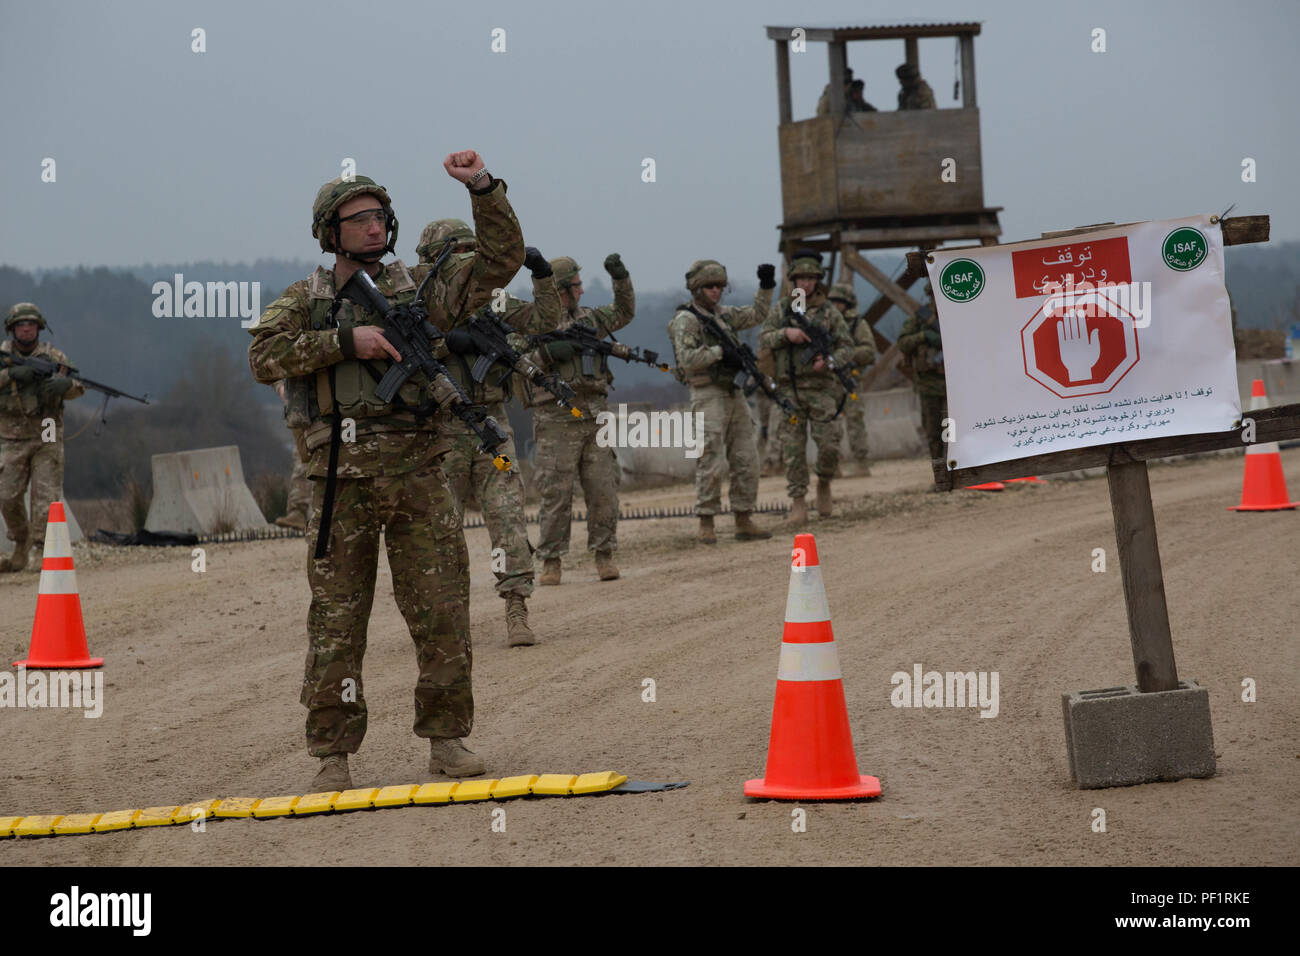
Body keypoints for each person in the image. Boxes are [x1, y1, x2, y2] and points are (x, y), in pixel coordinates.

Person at [247, 151, 524, 792]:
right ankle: (333, 754)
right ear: (330, 233)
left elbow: (501, 260)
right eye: (358, 219)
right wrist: (348, 343)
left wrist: (482, 188)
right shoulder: (306, 301)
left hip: (419, 473)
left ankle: (448, 741)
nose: (374, 228)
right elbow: (263, 356)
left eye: (380, 216)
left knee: (442, 611)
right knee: (337, 621)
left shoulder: (424, 289)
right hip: (338, 483)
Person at [415, 218, 561, 647]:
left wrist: (542, 276)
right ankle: (439, 618)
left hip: (491, 429)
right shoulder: (418, 302)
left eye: (469, 255)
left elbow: (545, 320)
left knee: (507, 516)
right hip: (441, 430)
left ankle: (516, 607)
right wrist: (447, 342)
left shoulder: (493, 302)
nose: (465, 267)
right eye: (455, 256)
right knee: (440, 528)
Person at [526, 254, 635, 585]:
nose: (582, 291)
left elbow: (624, 312)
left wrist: (621, 279)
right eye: (577, 285)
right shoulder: (535, 322)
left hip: (595, 413)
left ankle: (604, 555)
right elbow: (516, 359)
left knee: (603, 488)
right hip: (556, 416)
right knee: (556, 492)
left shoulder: (590, 320)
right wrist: (546, 354)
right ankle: (551, 561)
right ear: (562, 289)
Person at [667, 260, 777, 544]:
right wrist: (719, 352)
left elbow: (757, 314)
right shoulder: (687, 320)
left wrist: (766, 286)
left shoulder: (724, 316)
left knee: (745, 457)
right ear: (696, 288)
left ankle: (743, 517)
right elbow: (687, 359)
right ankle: (707, 521)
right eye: (710, 286)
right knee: (710, 458)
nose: (716, 291)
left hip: (733, 393)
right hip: (707, 394)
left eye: (720, 286)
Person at [758, 253, 853, 524]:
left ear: (818, 281)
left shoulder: (829, 312)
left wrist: (830, 361)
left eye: (811, 278)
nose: (806, 283)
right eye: (801, 278)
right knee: (792, 449)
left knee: (829, 445)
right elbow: (764, 337)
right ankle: (798, 501)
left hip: (822, 389)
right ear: (793, 280)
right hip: (790, 389)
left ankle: (824, 482)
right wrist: (785, 334)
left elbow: (847, 346)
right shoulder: (782, 309)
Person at [0, 302, 85, 572]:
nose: (26, 329)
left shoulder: (53, 355)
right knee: (7, 496)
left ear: (39, 327)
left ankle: (39, 550)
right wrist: (10, 375)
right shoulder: (3, 354)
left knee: (45, 496)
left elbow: (78, 385)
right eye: (21, 325)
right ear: (13, 329)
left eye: (31, 325)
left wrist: (65, 385)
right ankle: (20, 542)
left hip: (47, 429)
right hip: (11, 434)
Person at [896, 287, 947, 471]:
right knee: (933, 432)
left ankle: (957, 472)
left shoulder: (954, 313)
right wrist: (924, 335)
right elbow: (902, 342)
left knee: (953, 432)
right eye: (933, 294)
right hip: (928, 385)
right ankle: (940, 472)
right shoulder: (921, 318)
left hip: (954, 386)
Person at [827, 282, 876, 469]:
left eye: (839, 302)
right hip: (829, 381)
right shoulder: (825, 323)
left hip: (850, 379)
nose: (835, 305)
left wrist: (845, 355)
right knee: (830, 423)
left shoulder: (857, 324)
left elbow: (869, 351)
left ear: (847, 304)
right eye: (832, 301)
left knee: (855, 420)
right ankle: (832, 465)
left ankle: (861, 462)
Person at [272, 379, 312, 531]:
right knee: (303, 456)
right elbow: (272, 362)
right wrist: (281, 386)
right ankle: (298, 510)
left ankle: (300, 510)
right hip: (301, 404)